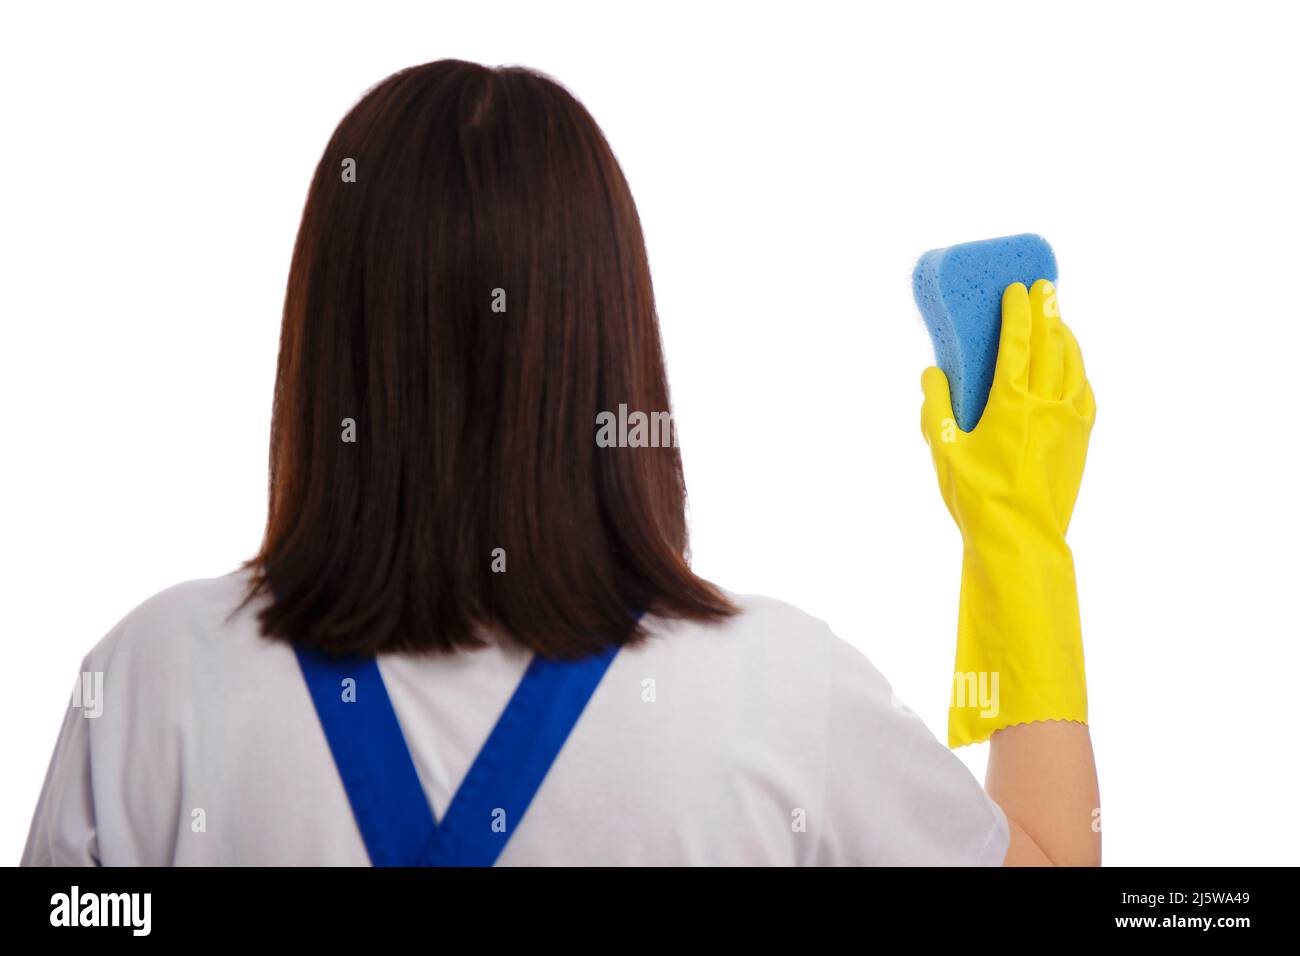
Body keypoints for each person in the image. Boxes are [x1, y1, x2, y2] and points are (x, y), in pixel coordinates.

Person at [22, 59, 1099, 867]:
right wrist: (1018, 534)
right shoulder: (779, 694)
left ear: (324, 339)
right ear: (613, 336)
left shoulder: (149, 682)